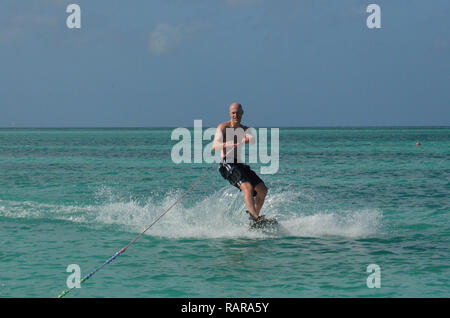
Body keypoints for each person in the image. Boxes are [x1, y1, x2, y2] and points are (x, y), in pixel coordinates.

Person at [212, 102, 268, 222]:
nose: (235, 115)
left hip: (239, 165)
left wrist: (248, 138)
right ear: (229, 114)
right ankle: (255, 217)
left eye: (238, 113)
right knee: (247, 187)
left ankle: (255, 219)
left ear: (242, 113)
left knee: (262, 189)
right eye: (233, 113)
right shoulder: (223, 127)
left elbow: (251, 139)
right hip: (226, 164)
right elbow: (215, 145)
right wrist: (230, 143)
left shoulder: (245, 129)